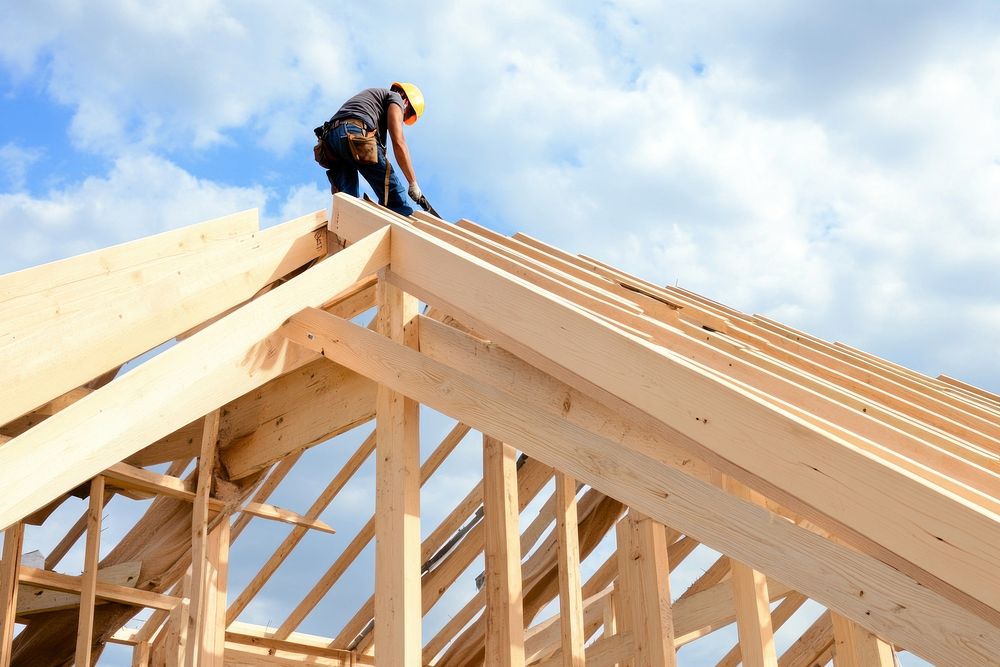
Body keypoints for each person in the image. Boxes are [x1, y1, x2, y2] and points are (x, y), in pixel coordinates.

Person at [317, 82, 425, 216]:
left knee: (348, 203)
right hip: (353, 132)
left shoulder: (373, 106)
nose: (402, 119)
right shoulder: (395, 98)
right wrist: (412, 182)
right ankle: (407, 227)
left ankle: (347, 231)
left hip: (330, 143)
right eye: (406, 115)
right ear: (406, 101)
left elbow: (379, 149)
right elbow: (399, 142)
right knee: (394, 196)